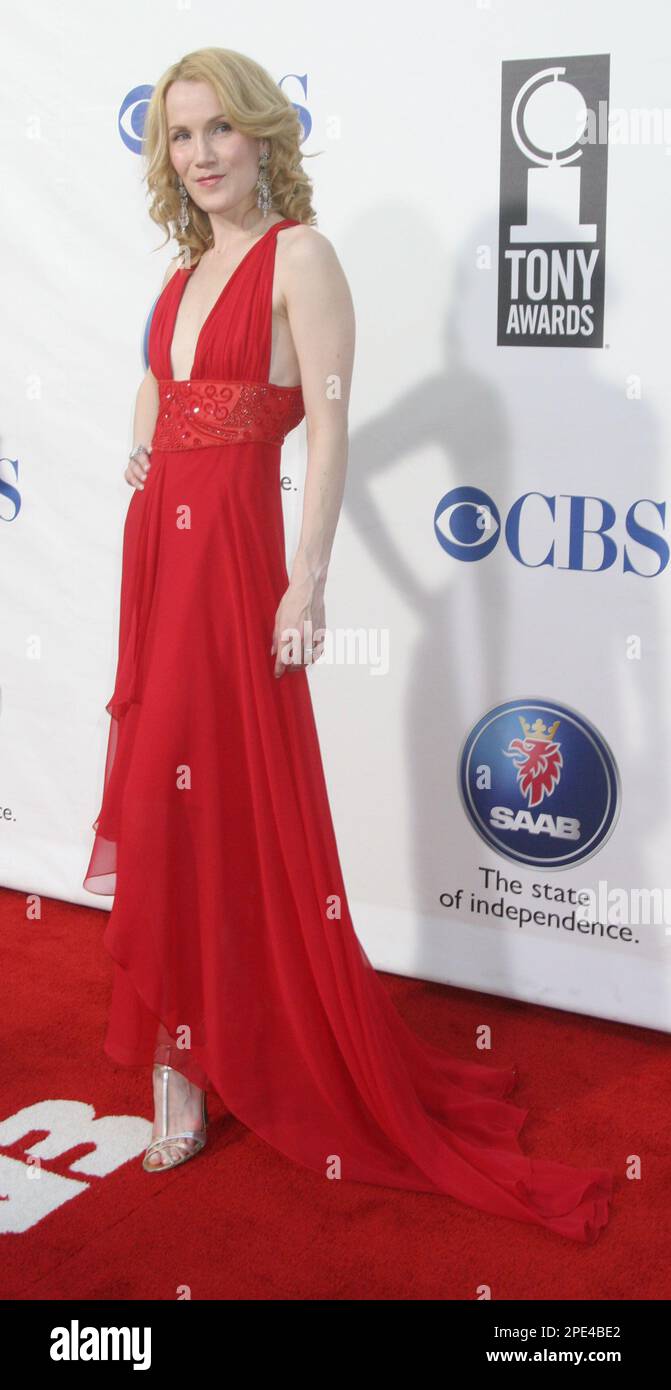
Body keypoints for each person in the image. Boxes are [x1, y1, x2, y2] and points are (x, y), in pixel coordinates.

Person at [84, 46, 613, 1242]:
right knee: (160, 795)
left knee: (220, 801)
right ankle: (179, 1056)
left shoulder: (300, 259)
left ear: (264, 134)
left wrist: (306, 580)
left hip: (231, 566)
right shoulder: (185, 270)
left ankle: (229, 1042)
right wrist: (141, 434)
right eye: (180, 136)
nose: (202, 154)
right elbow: (160, 383)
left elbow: (326, 433)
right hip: (157, 556)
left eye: (221, 130)